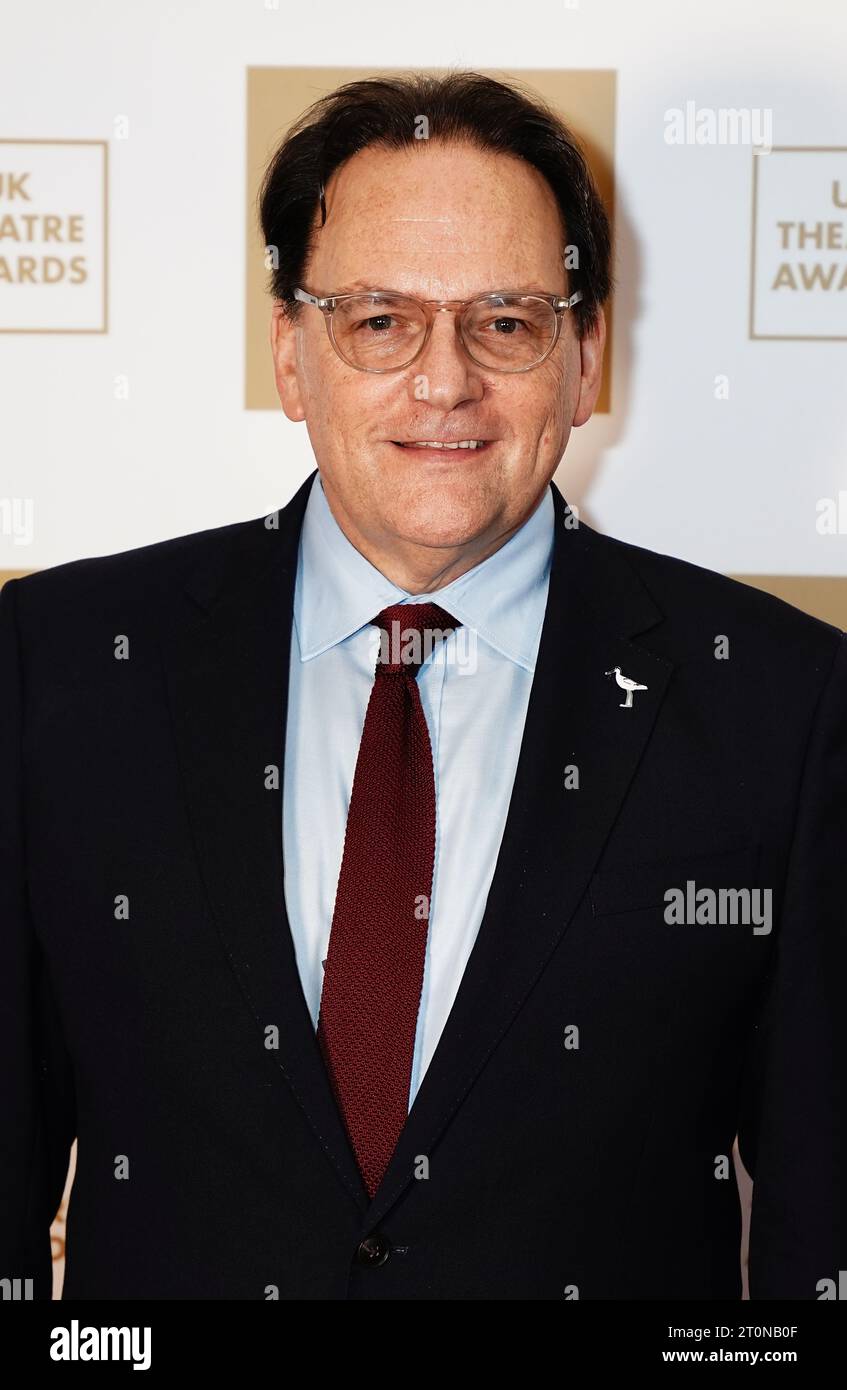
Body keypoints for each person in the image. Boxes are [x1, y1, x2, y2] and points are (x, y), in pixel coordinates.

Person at [1, 71, 844, 1301]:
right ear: (292, 356)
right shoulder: (58, 666)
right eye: (378, 319)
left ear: (585, 359)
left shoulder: (781, 704)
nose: (444, 381)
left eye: (507, 320)